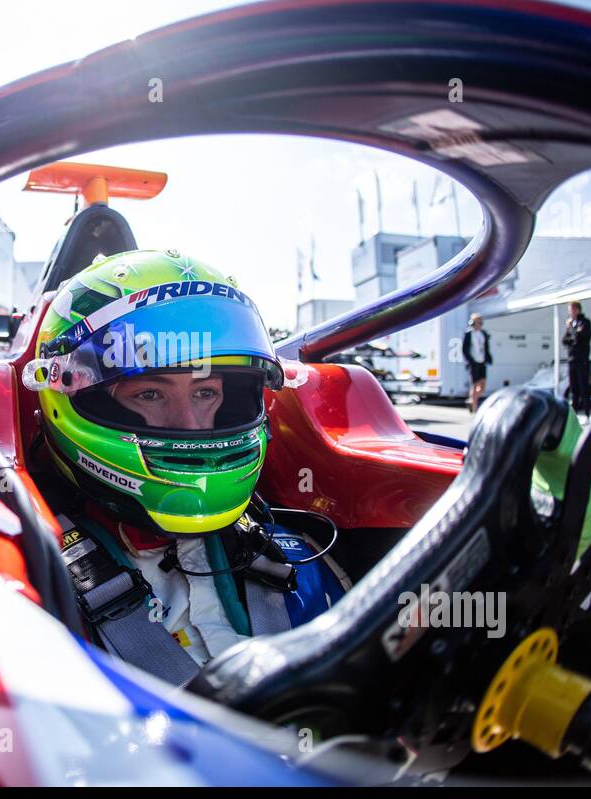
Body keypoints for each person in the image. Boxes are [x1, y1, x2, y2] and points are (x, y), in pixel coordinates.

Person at [26, 249, 349, 685]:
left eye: (206, 393)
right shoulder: (26, 592)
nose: (191, 425)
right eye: (150, 395)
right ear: (68, 394)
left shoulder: (305, 559)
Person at [563, 301, 591, 422]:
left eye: (571, 310)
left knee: (583, 387)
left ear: (577, 310)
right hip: (572, 360)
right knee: (574, 388)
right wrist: (571, 333)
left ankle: (587, 414)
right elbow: (565, 340)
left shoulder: (585, 322)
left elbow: (579, 337)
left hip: (582, 360)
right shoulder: (572, 324)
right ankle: (574, 414)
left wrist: (572, 329)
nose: (569, 312)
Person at [463, 313, 493, 414]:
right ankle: (474, 406)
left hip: (482, 361)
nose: (480, 323)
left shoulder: (483, 333)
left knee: (483, 385)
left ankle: (472, 400)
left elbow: (486, 348)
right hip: (473, 362)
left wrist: (488, 358)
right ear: (472, 322)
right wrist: (470, 361)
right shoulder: (468, 334)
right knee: (475, 384)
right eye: (478, 321)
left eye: (481, 321)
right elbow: (465, 350)